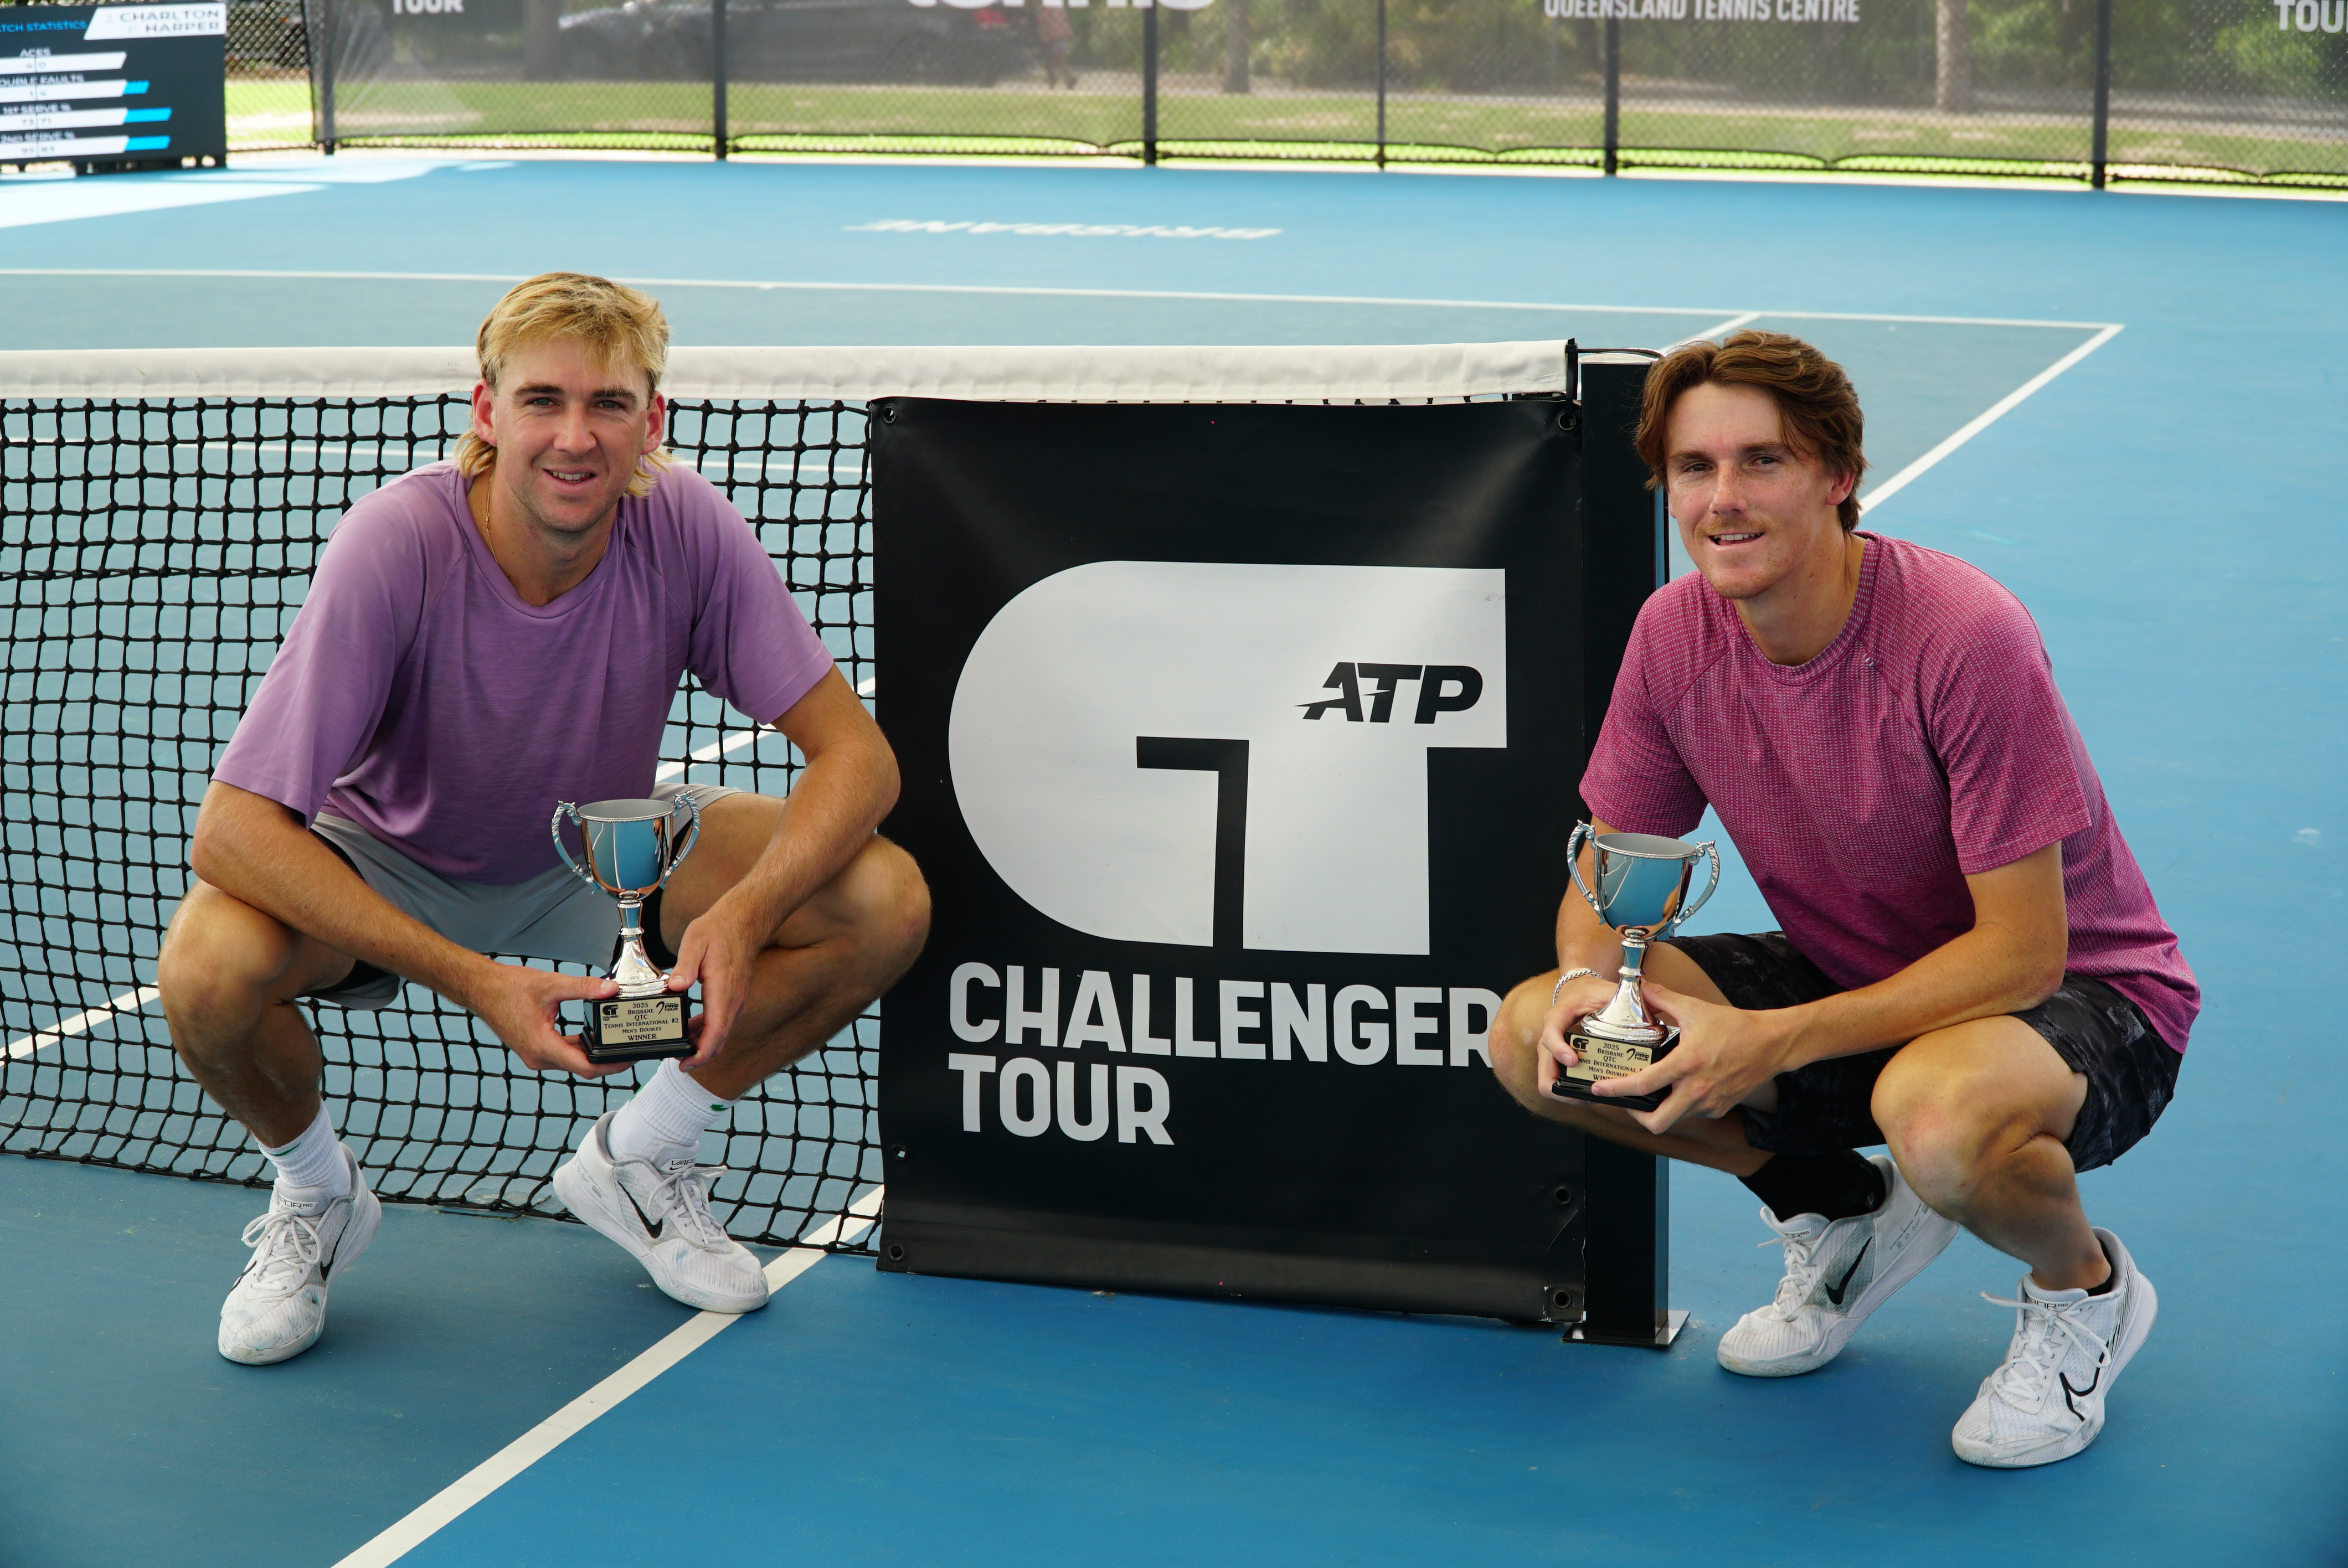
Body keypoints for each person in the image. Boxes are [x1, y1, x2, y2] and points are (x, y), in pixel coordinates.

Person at [156, 272, 930, 1366]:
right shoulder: (395, 544)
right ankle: (318, 1194)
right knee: (205, 971)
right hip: (384, 860)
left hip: (593, 852)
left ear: (651, 422)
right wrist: (473, 979)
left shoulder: (685, 525)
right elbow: (229, 832)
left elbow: (856, 755)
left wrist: (749, 913)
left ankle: (643, 1154)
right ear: (486, 413)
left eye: (609, 405)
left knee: (880, 901)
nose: (576, 437)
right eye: (542, 401)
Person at [1489, 332, 2195, 1469]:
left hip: (2078, 995)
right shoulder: (1673, 636)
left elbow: (2020, 954)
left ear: (1837, 476)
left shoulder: (1962, 636)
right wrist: (1584, 986)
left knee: (1936, 1123)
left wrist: (1762, 1039)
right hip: (1854, 974)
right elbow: (1615, 881)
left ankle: (2085, 1291)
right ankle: (1836, 1207)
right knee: (1538, 1042)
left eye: (1760, 462)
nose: (1722, 499)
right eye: (1692, 467)